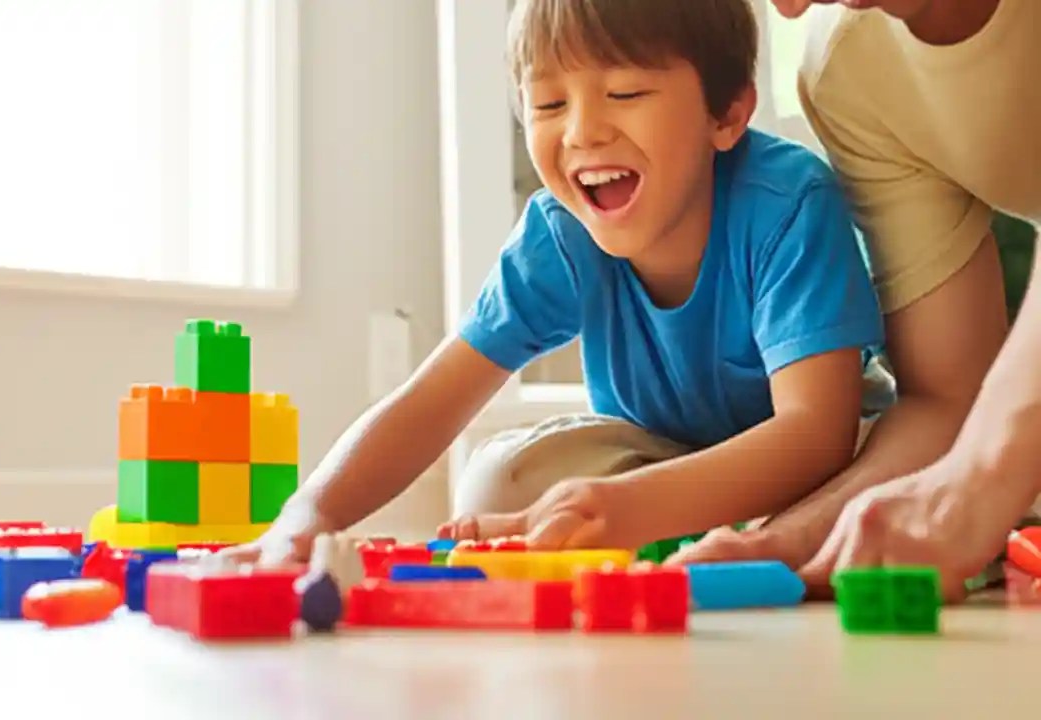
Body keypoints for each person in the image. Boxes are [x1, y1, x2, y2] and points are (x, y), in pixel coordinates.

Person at [224, 0, 887, 565]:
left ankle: (721, 535)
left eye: (624, 93)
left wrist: (623, 508)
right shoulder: (561, 233)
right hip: (661, 456)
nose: (582, 132)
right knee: (497, 484)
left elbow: (815, 434)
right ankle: (680, 532)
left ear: (727, 115)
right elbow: (431, 402)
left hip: (816, 467)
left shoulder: (787, 203)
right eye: (546, 103)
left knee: (876, 478)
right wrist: (306, 518)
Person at [670, 0, 1041, 600]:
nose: (791, 10)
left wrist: (976, 482)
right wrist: (793, 541)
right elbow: (950, 399)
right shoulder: (850, 65)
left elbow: (983, 454)